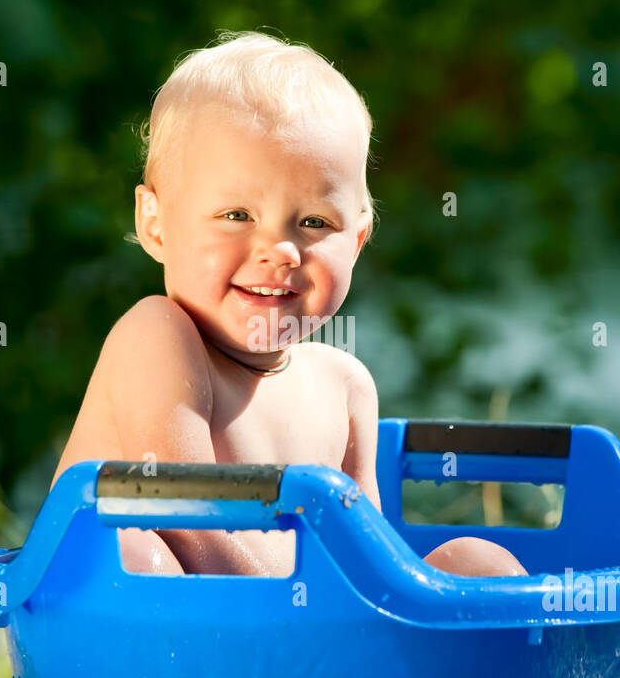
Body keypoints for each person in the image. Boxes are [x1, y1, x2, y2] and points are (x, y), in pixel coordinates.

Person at [52, 31, 527, 580]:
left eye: (314, 223)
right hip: (161, 644)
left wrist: (387, 612)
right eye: (236, 215)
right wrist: (286, 625)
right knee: (133, 555)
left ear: (356, 240)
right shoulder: (157, 337)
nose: (279, 250)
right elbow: (187, 521)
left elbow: (366, 563)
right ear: (155, 224)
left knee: (476, 561)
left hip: (308, 652)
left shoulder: (345, 387)